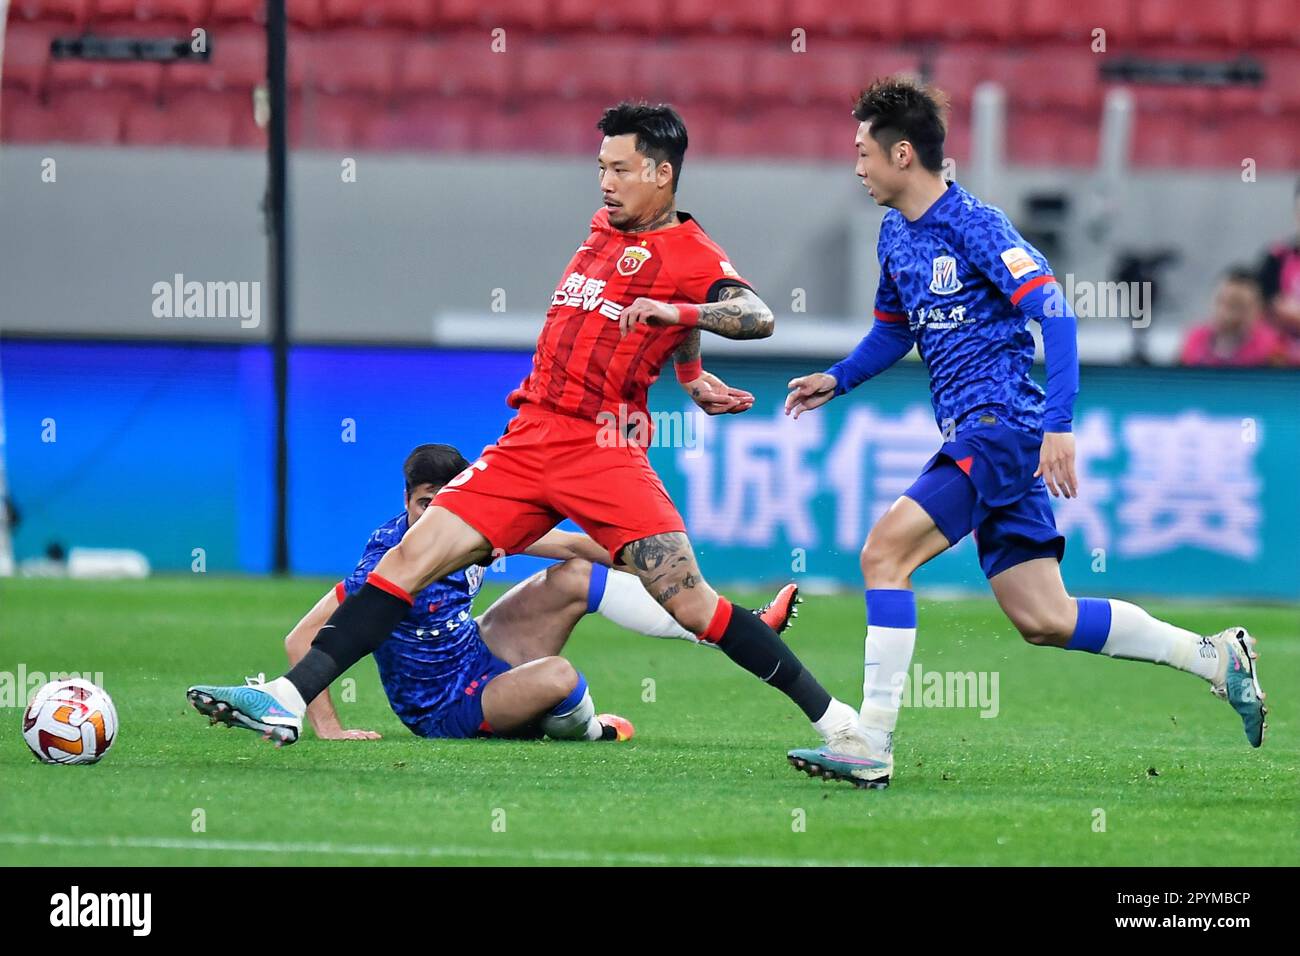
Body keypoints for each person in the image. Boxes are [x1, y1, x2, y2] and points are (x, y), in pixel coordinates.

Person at [189, 102, 871, 763]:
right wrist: (689, 374)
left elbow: (755, 317)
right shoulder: (605, 230)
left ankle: (841, 724)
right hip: (528, 438)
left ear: (662, 173)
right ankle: (285, 697)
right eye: (601, 167)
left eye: (621, 169)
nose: (605, 182)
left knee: (691, 603)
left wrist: (676, 315)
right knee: (407, 561)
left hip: (602, 447)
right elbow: (669, 323)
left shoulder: (690, 251)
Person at [783, 76, 1268, 790]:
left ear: (903, 153)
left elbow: (1057, 315)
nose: (855, 166)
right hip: (981, 434)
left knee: (883, 555)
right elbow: (893, 332)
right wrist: (840, 376)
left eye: (863, 152)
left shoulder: (975, 224)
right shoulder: (895, 234)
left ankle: (871, 741)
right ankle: (1211, 657)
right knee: (1044, 616)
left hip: (1000, 427)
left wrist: (1058, 426)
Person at [252, 444, 798, 743]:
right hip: (442, 708)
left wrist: (657, 563)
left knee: (576, 571)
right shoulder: (389, 558)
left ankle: (724, 630)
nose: (432, 513)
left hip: (477, 653)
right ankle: (588, 731)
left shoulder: (466, 525)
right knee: (561, 677)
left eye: (443, 501)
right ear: (406, 499)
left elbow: (572, 544)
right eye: (423, 502)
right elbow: (301, 638)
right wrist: (329, 729)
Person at [1180, 267, 1282, 366]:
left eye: (1239, 305)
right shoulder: (1195, 340)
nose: (1229, 314)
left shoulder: (1271, 348)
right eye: (1223, 303)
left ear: (1258, 308)